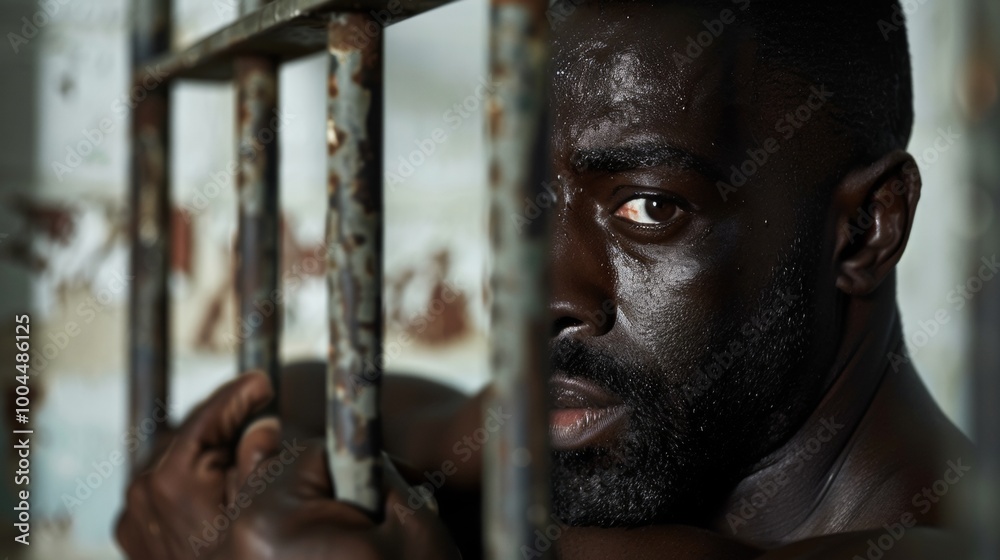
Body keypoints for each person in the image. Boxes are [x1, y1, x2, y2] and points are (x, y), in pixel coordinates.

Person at [115, 1, 977, 558]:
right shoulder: (618, 424)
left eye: (647, 209)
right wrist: (253, 486)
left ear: (867, 228)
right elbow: (305, 399)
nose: (541, 294)